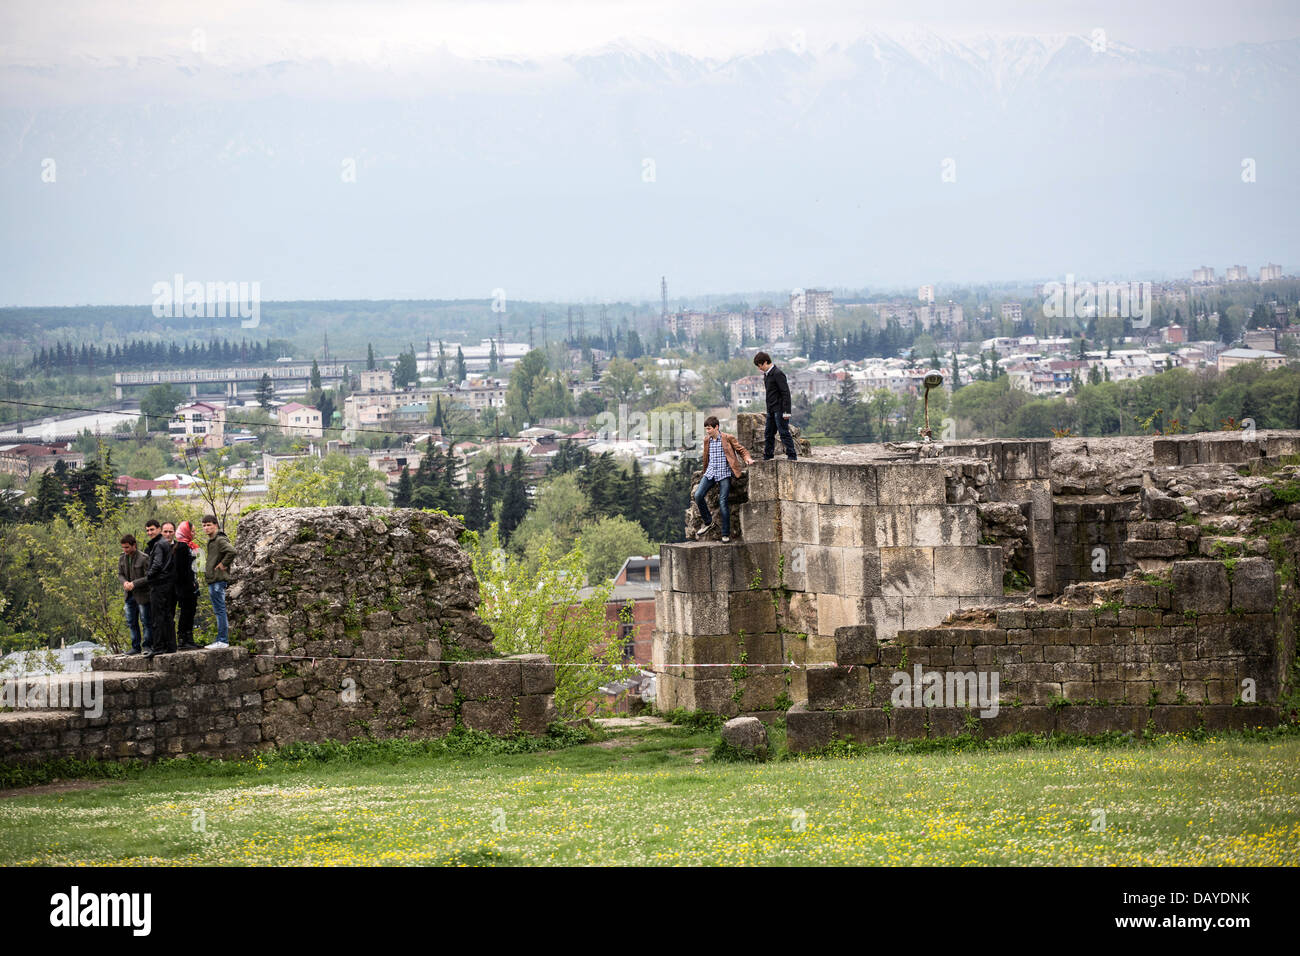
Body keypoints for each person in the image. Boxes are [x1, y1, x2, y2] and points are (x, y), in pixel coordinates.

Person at [692, 415, 753, 544]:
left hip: (724, 474)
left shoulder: (727, 438)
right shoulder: (707, 440)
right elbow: (706, 457)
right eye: (706, 429)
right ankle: (708, 522)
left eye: (709, 429)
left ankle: (725, 534)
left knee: (723, 502)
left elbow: (741, 450)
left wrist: (747, 458)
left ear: (716, 427)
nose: (708, 431)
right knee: (698, 495)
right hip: (710, 473)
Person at [753, 351, 797, 461]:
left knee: (783, 433)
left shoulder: (778, 373)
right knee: (768, 433)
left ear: (765, 362)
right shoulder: (767, 375)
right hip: (771, 409)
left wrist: (787, 412)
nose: (759, 369)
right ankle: (768, 456)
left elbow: (785, 393)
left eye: (760, 366)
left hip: (780, 409)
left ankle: (792, 455)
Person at [202, 514, 236, 649]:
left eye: (209, 525)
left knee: (220, 611)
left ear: (215, 525)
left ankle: (222, 640)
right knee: (218, 611)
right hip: (213, 580)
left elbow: (232, 551)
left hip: (218, 580)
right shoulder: (211, 541)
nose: (206, 528)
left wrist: (223, 564)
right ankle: (221, 640)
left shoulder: (219, 540)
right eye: (204, 525)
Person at [145, 520, 177, 658]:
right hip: (168, 583)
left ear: (158, 529)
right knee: (167, 615)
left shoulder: (158, 544)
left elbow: (157, 564)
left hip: (159, 584)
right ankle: (171, 645)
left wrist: (148, 576)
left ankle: (158, 647)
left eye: (152, 530)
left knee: (157, 616)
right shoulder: (165, 544)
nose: (150, 533)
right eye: (147, 530)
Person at [118, 534, 151, 656]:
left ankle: (147, 646)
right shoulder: (122, 558)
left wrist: (135, 584)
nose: (125, 550)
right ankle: (135, 647)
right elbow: (120, 574)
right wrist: (125, 582)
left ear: (134, 545)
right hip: (129, 596)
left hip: (142, 595)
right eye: (123, 548)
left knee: (146, 621)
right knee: (131, 622)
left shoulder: (144, 558)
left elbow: (149, 577)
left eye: (127, 547)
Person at [173, 521, 202, 651]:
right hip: (185, 587)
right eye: (192, 531)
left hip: (192, 585)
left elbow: (199, 566)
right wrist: (189, 584)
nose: (194, 533)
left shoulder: (191, 546)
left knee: (191, 611)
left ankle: (189, 638)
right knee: (186, 612)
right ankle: (183, 639)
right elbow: (181, 570)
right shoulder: (181, 547)